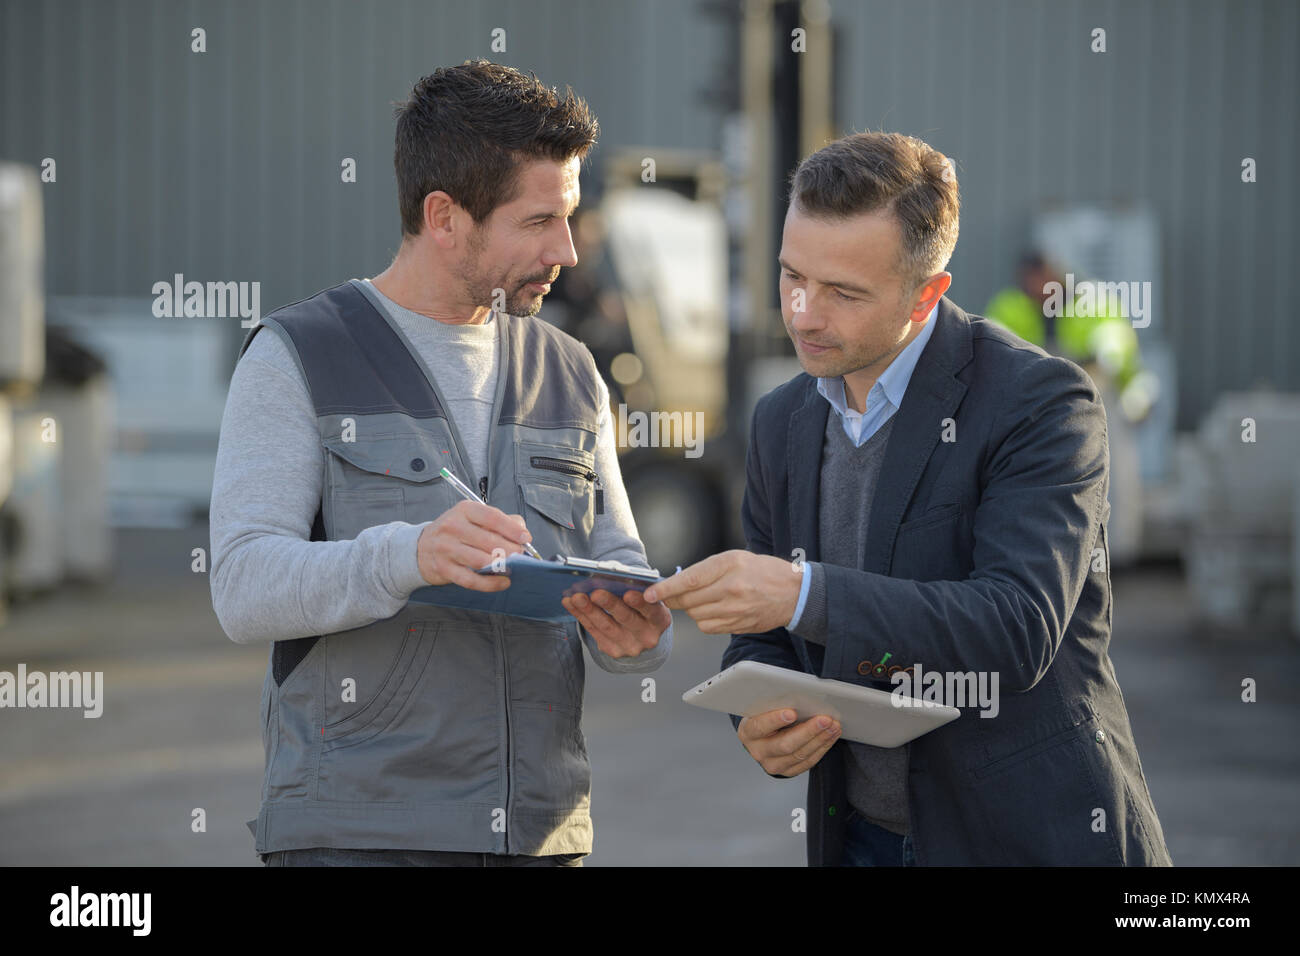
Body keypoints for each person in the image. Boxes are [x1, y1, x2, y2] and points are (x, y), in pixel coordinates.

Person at [645, 131, 1171, 866]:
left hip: (1022, 838)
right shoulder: (781, 420)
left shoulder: (1040, 403)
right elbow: (767, 634)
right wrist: (758, 717)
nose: (802, 313)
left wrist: (804, 592)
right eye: (792, 276)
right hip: (859, 836)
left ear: (928, 293)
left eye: (843, 293)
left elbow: (1017, 628)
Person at [209, 60, 672, 867]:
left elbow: (619, 559)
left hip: (541, 835)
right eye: (538, 222)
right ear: (444, 217)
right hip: (359, 838)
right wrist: (407, 556)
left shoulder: (571, 370)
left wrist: (637, 631)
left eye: (569, 216)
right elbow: (243, 588)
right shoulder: (298, 357)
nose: (566, 248)